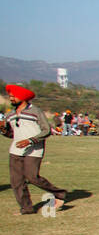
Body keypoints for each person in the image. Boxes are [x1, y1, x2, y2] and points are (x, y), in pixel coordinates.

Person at [3, 85, 67, 215]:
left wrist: (30, 140)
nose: (11, 98)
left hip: (34, 150)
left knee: (32, 177)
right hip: (15, 151)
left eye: (13, 96)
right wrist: (3, 129)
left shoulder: (35, 111)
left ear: (23, 97)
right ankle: (26, 208)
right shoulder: (10, 114)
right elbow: (11, 134)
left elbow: (46, 130)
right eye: (10, 96)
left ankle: (59, 194)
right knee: (16, 181)